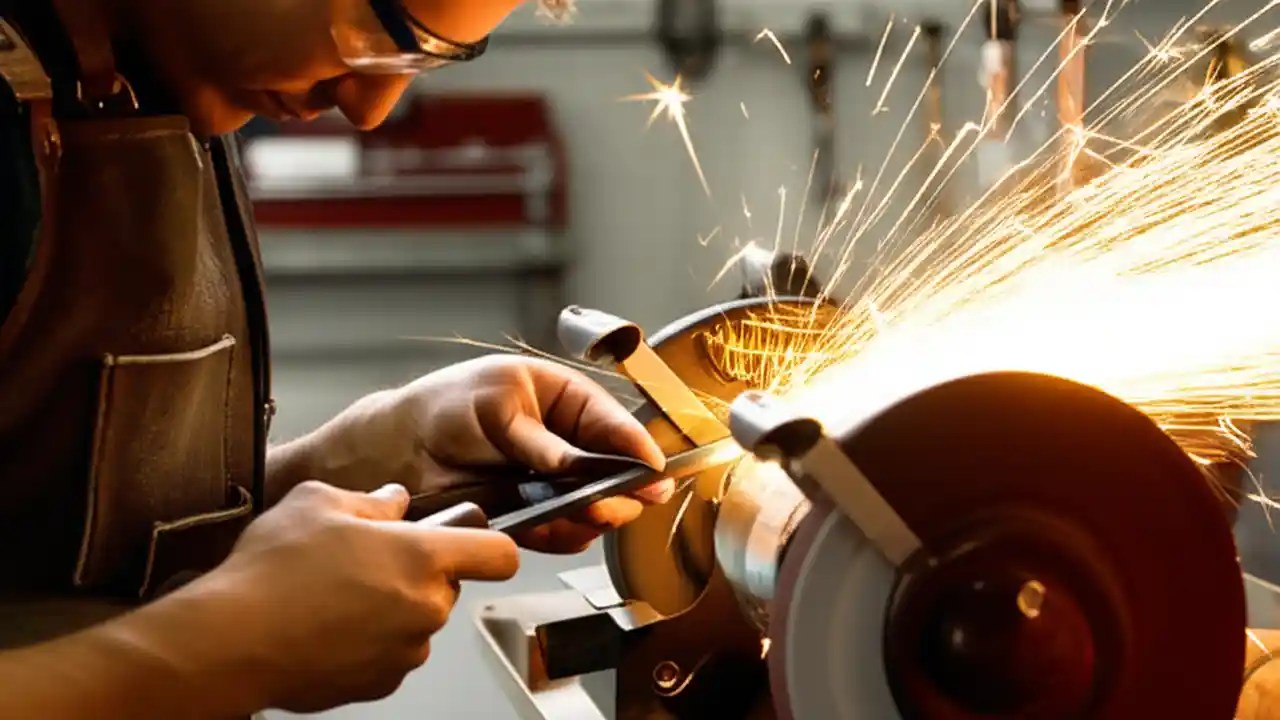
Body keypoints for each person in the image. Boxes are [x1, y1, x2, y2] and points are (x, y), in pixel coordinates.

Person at [0, 0, 674, 716]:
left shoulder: (150, 75)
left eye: (428, 57)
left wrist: (361, 459)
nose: (371, 106)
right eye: (375, 30)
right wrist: (213, 650)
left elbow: (38, 543)